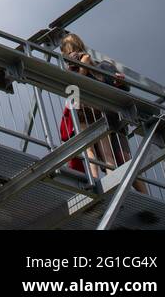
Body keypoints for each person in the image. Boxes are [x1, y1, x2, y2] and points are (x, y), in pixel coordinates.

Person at [58, 32, 146, 191]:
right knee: (105, 155)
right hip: (98, 115)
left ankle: (131, 192)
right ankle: (110, 184)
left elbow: (123, 88)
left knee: (120, 157)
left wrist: (119, 82)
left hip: (110, 120)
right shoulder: (77, 65)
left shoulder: (102, 66)